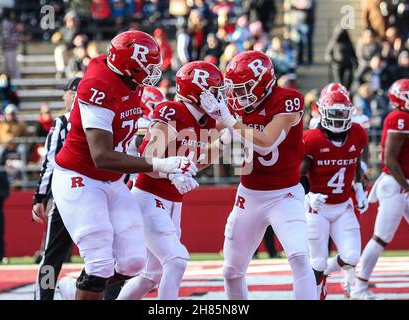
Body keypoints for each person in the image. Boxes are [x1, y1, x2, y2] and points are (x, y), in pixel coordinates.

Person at [40, 31, 197, 300]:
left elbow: (127, 139)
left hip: (111, 180)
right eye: (147, 66)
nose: (153, 72)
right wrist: (161, 164)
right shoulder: (98, 87)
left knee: (133, 263)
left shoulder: (127, 79)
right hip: (81, 177)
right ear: (130, 65)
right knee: (100, 264)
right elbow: (102, 155)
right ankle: (75, 289)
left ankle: (71, 289)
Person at [200, 50, 317, 300]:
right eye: (234, 89)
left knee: (298, 257)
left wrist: (231, 122)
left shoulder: (288, 100)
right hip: (249, 195)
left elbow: (266, 143)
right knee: (231, 270)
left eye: (243, 88)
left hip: (285, 194)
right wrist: (188, 162)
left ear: (263, 82)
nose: (236, 95)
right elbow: (217, 142)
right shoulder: (234, 106)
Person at [118, 61, 228, 300]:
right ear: (198, 91)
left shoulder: (207, 122)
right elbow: (148, 159)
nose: (219, 96)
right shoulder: (172, 110)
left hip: (172, 201)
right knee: (176, 260)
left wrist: (224, 140)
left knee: (151, 275)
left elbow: (199, 161)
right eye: (215, 90)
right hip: (148, 196)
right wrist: (171, 172)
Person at [352, 79, 409, 299]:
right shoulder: (399, 118)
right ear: (401, 99)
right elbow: (390, 159)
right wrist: (407, 187)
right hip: (395, 183)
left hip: (406, 182)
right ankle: (359, 287)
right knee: (381, 237)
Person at [302, 90, 368, 299]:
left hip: (343, 206)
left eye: (342, 114)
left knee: (351, 257)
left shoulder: (358, 133)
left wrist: (359, 187)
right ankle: (315, 291)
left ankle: (325, 275)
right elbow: (296, 175)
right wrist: (307, 196)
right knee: (317, 262)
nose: (339, 119)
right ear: (322, 113)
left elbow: (355, 160)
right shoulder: (312, 139)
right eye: (334, 113)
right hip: (317, 208)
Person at [32, 77, 81, 300]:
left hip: (66, 197)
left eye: (66, 93)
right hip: (98, 194)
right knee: (103, 257)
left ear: (75, 94)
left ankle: (45, 297)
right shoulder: (101, 120)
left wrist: (40, 197)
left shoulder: (63, 122)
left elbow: (50, 161)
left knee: (52, 256)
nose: (63, 97)